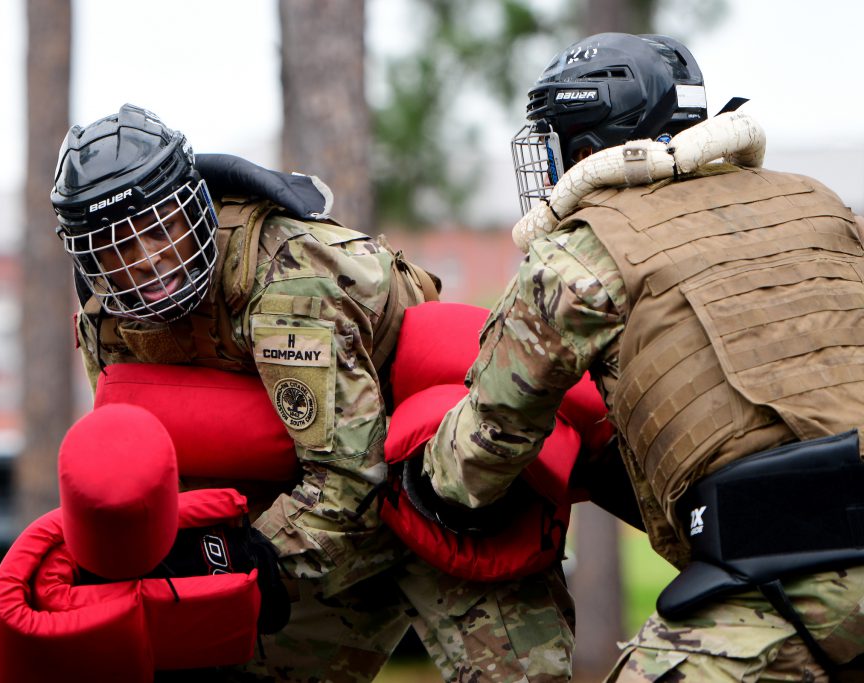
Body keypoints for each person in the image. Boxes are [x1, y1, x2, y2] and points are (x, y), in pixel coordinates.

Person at [48, 103, 575, 682]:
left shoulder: (284, 279)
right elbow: (150, 465)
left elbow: (353, 473)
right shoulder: (108, 317)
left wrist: (255, 562)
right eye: (116, 249)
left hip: (432, 492)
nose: (147, 261)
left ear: (193, 208)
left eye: (158, 229)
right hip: (301, 511)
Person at [421, 32, 864, 682]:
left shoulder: (580, 252)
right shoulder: (822, 203)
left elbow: (474, 464)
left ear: (584, 148)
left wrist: (421, 479)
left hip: (769, 585)